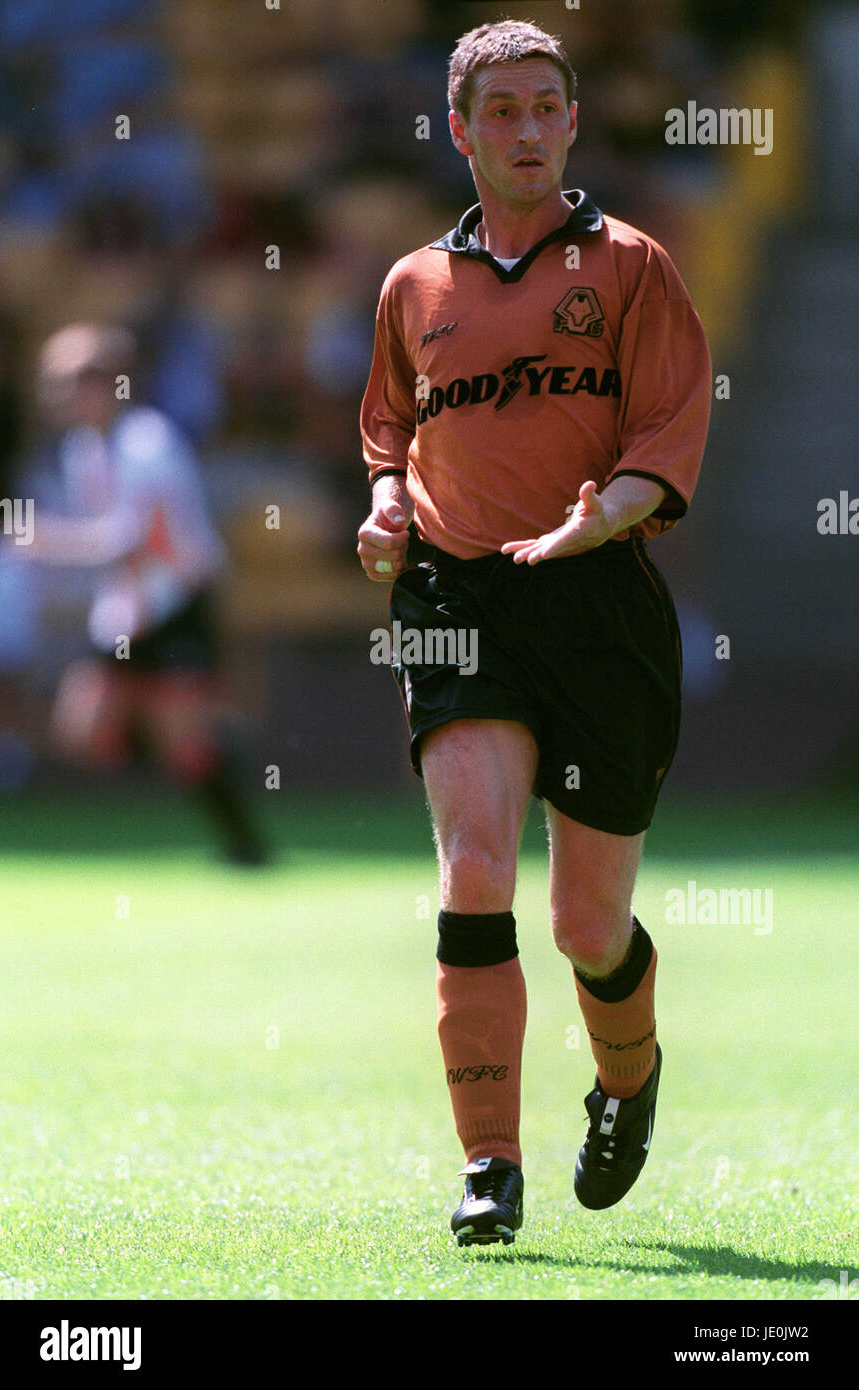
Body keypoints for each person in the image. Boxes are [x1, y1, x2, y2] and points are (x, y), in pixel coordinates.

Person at [358, 20, 711, 1245]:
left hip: (597, 601)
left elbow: (666, 438)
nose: (520, 130)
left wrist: (593, 520)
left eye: (541, 108)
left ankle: (625, 1079)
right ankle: (489, 1167)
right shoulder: (411, 287)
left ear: (570, 123)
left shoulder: (630, 269)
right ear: (458, 131)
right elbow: (391, 436)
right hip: (459, 602)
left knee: (585, 928)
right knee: (474, 876)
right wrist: (386, 506)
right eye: (494, 111)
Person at [19, 322, 268, 865]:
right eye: (55, 381)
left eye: (74, 379)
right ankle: (207, 734)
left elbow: (135, 541)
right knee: (85, 728)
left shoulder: (147, 441)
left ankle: (246, 845)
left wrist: (47, 544)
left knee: (183, 743)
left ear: (112, 382)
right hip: (131, 612)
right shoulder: (81, 448)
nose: (59, 393)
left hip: (177, 604)